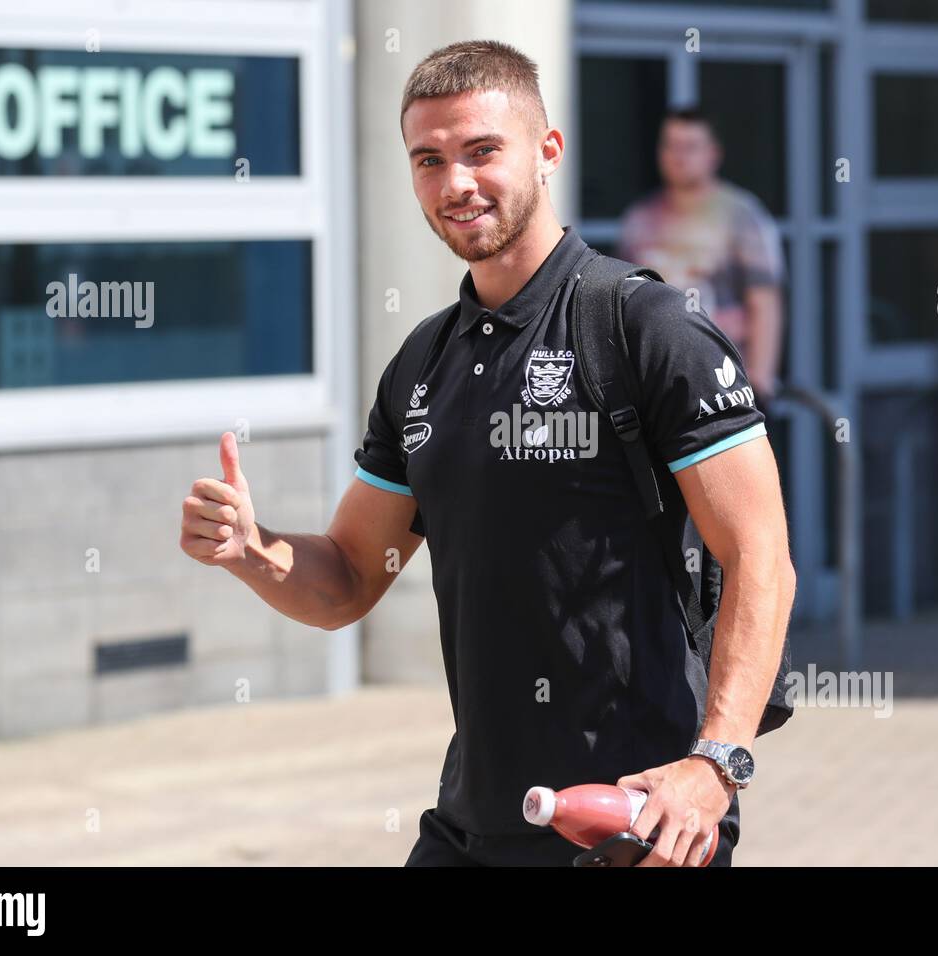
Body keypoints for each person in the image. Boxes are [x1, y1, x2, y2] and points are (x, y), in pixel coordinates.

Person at [179, 39, 796, 867]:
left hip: (635, 819)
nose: (455, 184)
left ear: (548, 152)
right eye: (428, 159)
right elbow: (354, 577)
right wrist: (252, 552)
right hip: (474, 821)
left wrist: (715, 765)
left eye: (481, 151)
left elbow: (761, 555)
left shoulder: (644, 329)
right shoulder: (421, 365)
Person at [618, 109, 787, 405]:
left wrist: (760, 382)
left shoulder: (741, 215)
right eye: (670, 145)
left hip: (727, 384)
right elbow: (624, 302)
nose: (678, 156)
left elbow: (764, 302)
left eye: (690, 147)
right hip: (656, 385)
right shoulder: (639, 218)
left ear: (713, 154)